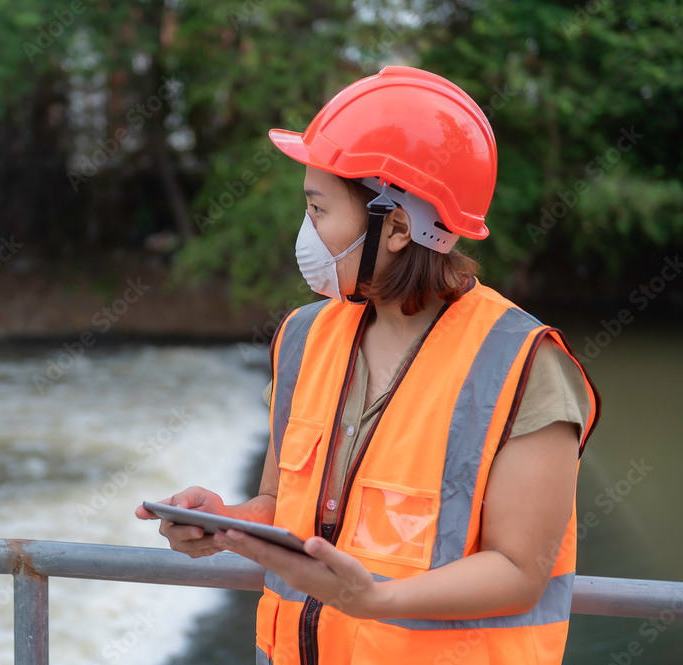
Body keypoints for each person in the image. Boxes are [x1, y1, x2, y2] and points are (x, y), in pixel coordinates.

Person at [136, 66, 600, 665]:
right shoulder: (303, 337)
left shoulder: (524, 365)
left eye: (319, 209)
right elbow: (286, 508)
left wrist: (374, 599)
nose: (306, 232)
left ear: (400, 226)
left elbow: (520, 570)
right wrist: (228, 522)